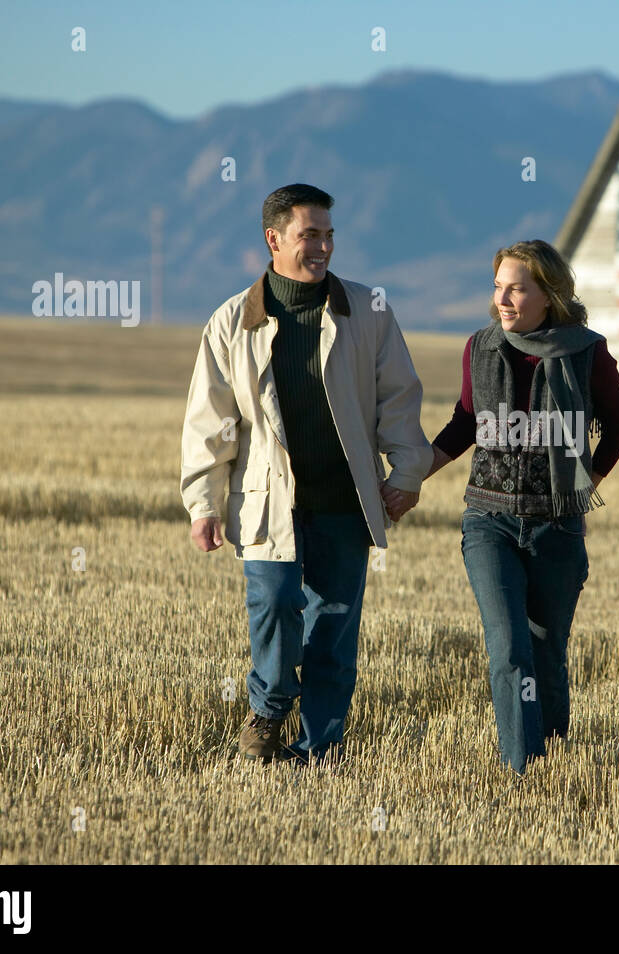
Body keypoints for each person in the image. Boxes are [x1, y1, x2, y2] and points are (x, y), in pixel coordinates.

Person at [181, 183, 429, 765]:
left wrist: (408, 471)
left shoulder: (367, 310)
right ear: (273, 240)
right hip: (267, 501)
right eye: (308, 235)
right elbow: (210, 422)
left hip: (344, 501)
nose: (322, 247)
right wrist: (204, 504)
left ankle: (320, 748)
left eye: (328, 235)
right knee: (272, 605)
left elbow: (398, 398)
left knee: (334, 631)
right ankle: (268, 714)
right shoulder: (230, 322)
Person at [400, 239, 619, 774]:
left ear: (547, 296)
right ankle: (521, 767)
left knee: (547, 655)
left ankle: (552, 758)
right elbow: (464, 423)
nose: (502, 299)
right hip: (489, 521)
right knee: (508, 648)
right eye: (497, 287)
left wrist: (586, 482)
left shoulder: (587, 352)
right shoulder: (480, 347)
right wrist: (411, 479)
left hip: (558, 525)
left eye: (516, 288)